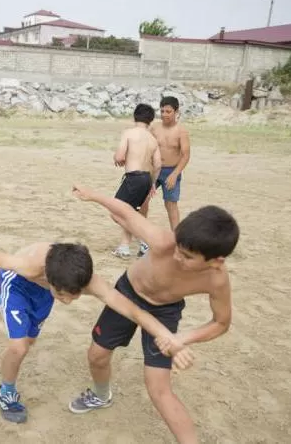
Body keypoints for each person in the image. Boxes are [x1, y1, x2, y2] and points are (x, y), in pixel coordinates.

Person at [0, 242, 194, 424]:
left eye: (73, 297)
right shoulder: (29, 265)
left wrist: (168, 338)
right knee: (19, 347)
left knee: (30, 340)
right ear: (49, 278)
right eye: (62, 295)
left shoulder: (86, 280)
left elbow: (132, 310)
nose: (67, 300)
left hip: (40, 295)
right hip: (18, 284)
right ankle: (7, 393)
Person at [69, 184, 238, 444]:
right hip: (127, 294)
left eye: (188, 256)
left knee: (159, 389)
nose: (177, 256)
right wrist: (93, 196)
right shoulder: (164, 242)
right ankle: (101, 395)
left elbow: (221, 323)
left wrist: (182, 339)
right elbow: (125, 211)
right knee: (97, 355)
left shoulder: (217, 280)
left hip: (165, 312)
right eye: (178, 248)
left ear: (216, 260)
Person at [111, 103, 161, 260]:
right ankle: (124, 246)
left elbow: (119, 156)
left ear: (135, 116)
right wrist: (153, 183)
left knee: (116, 212)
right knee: (131, 213)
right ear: (150, 120)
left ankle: (144, 241)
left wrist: (118, 158)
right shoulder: (153, 139)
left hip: (134, 177)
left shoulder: (129, 133)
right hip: (147, 178)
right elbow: (158, 164)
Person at [139, 96, 191, 237]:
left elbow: (186, 155)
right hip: (153, 169)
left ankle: (177, 237)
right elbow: (146, 148)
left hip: (171, 171)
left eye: (168, 111)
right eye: (162, 111)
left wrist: (174, 175)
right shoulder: (154, 128)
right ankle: (142, 232)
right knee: (143, 200)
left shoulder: (181, 131)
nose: (164, 114)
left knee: (171, 204)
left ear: (176, 112)